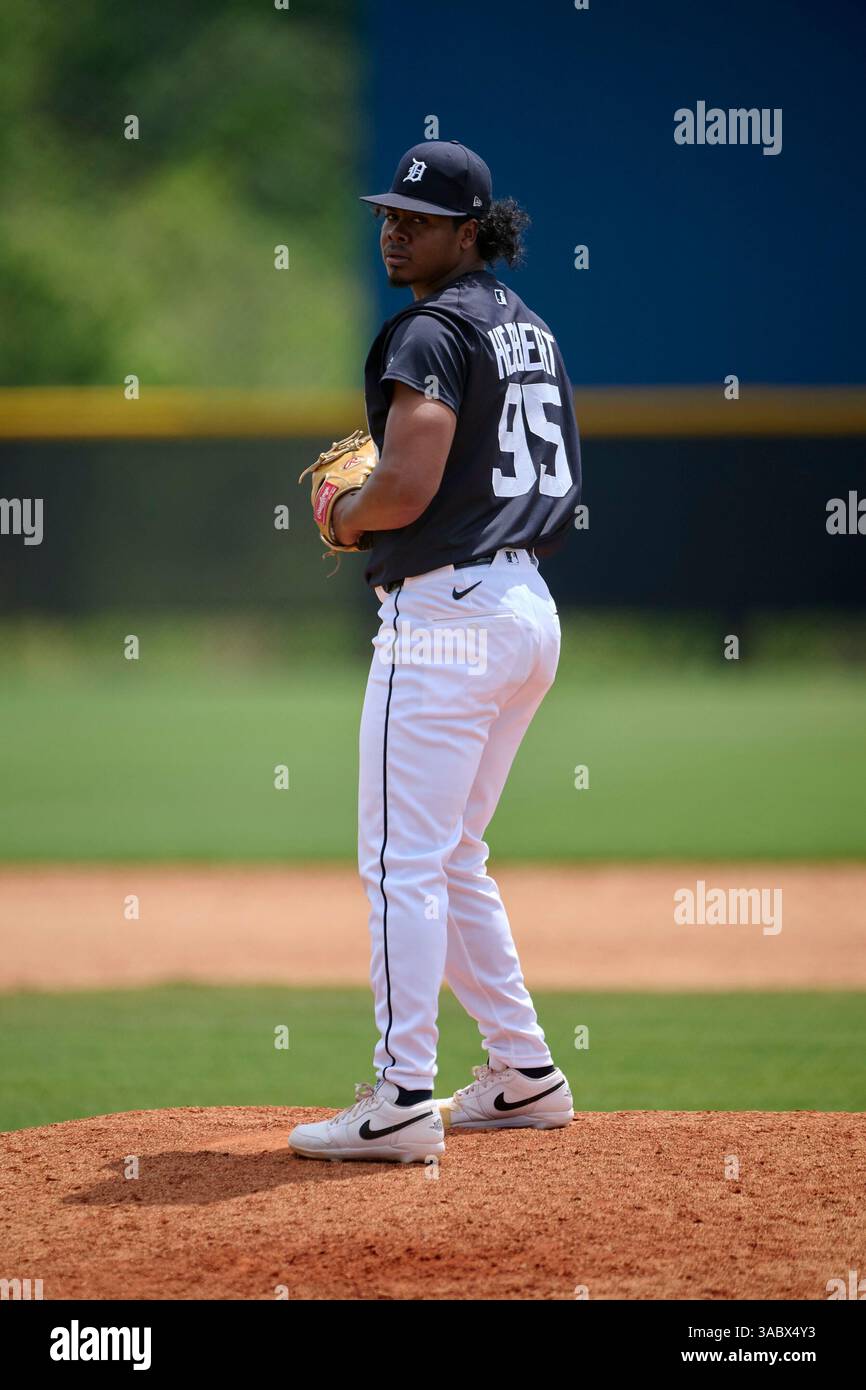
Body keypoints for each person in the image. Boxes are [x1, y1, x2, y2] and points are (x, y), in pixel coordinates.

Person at [289, 140, 582, 1164]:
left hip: (448, 615)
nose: (392, 231)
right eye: (386, 214)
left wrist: (343, 515)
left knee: (397, 861)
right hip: (523, 609)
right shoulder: (526, 328)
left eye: (415, 218)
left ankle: (400, 1095)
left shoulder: (430, 328)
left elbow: (404, 490)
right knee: (452, 855)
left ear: (470, 229)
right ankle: (523, 1073)